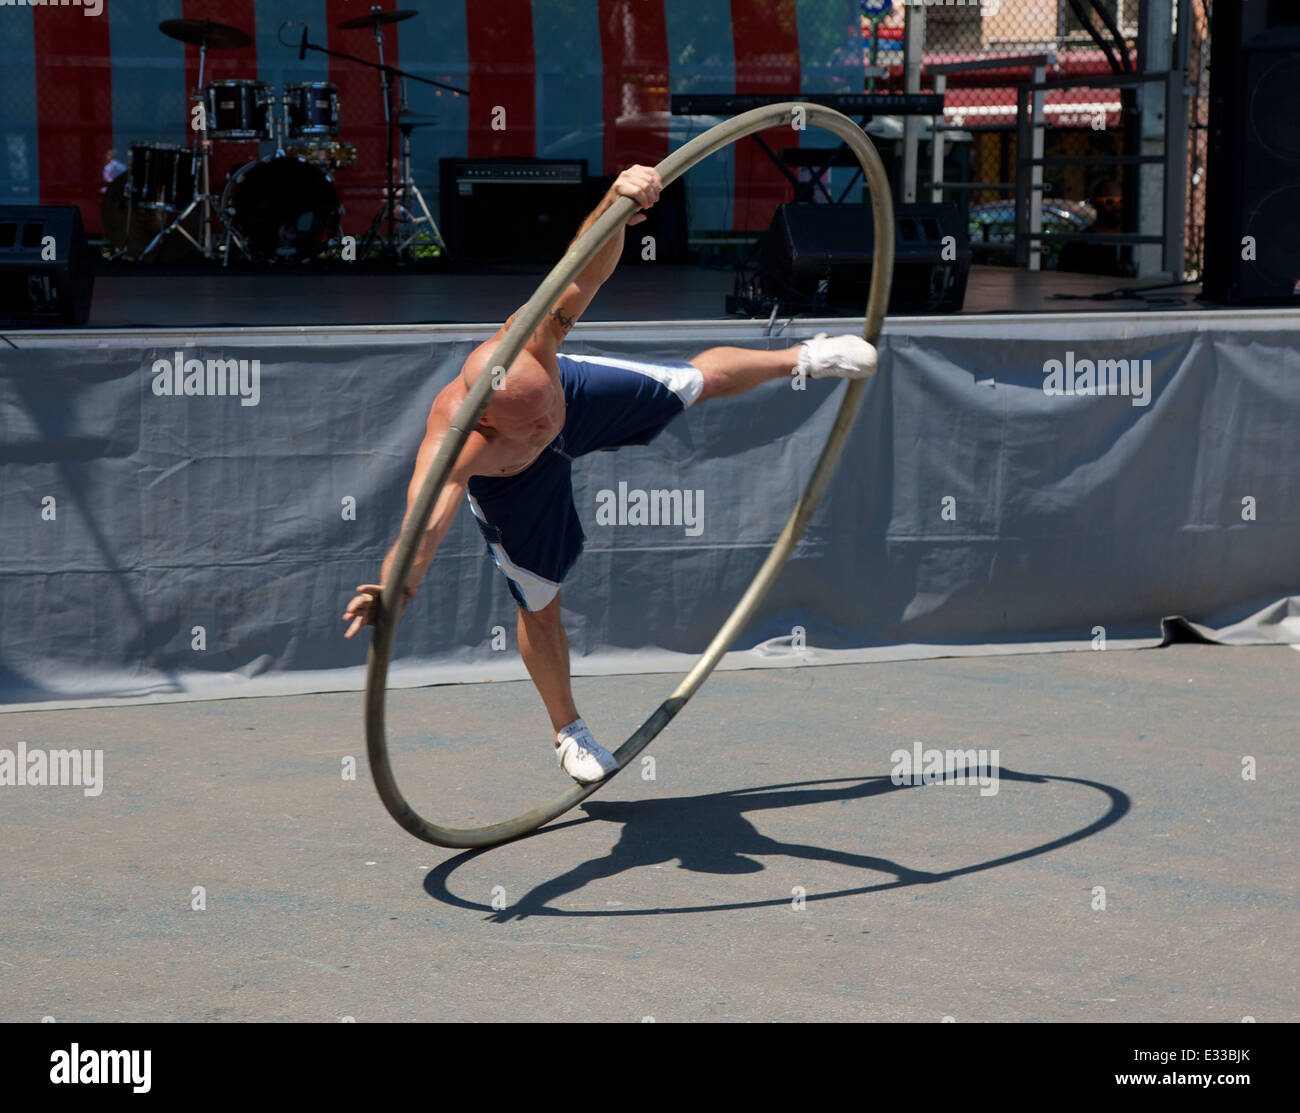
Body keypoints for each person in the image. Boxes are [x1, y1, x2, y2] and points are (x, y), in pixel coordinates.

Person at [343, 165, 878, 784]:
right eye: (530, 423)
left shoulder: (536, 331)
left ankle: (802, 355)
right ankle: (569, 731)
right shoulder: (453, 451)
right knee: (539, 602)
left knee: (692, 382)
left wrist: (620, 196)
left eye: (542, 412)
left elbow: (586, 262)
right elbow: (421, 533)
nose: (544, 425)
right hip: (516, 482)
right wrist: (392, 592)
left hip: (582, 396)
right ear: (486, 421)